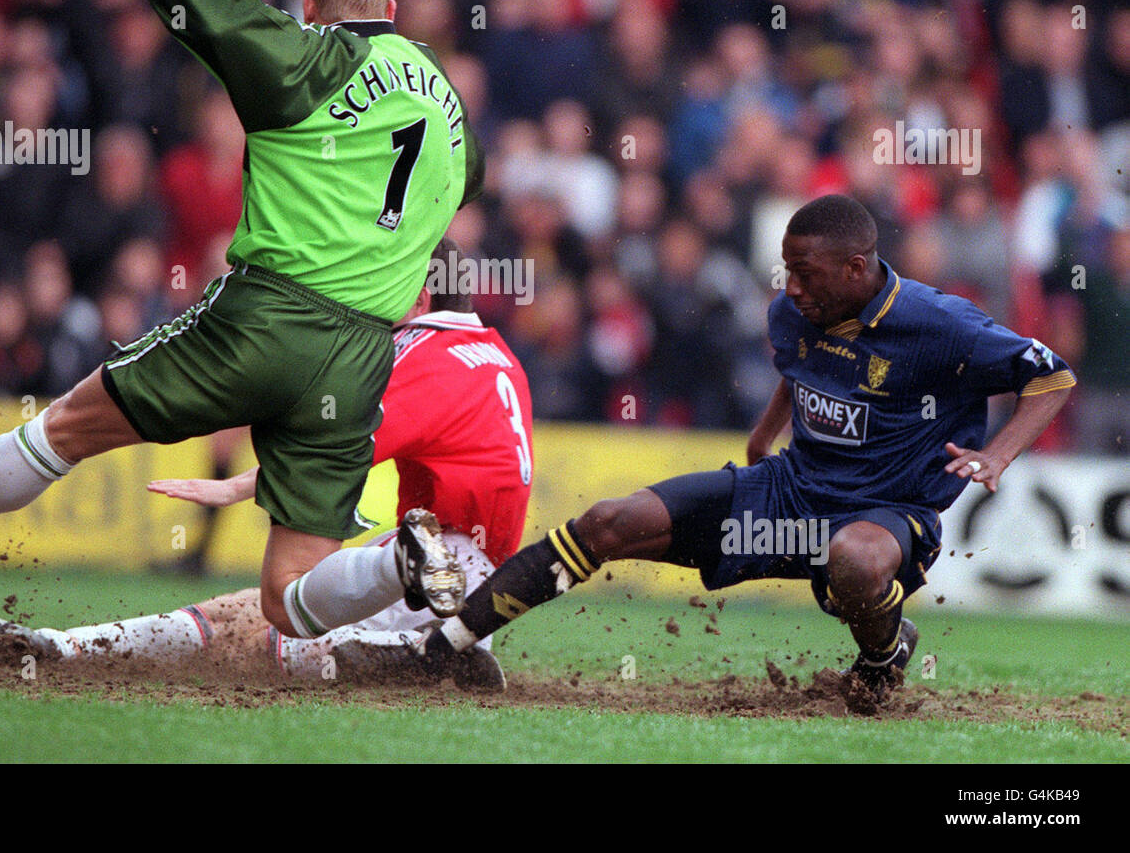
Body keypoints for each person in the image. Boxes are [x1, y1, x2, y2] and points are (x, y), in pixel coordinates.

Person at [0, 0, 485, 650]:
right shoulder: (447, 94)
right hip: (362, 358)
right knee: (289, 600)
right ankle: (401, 563)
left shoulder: (300, 56)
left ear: (310, 4)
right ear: (392, 7)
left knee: (68, 427)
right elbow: (462, 185)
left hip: (267, 319)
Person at [402, 195, 1077, 698]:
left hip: (884, 512)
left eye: (806, 274)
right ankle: (445, 647)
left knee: (852, 560)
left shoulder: (940, 324)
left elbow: (1050, 374)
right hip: (787, 493)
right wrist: (764, 432)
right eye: (786, 271)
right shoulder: (796, 309)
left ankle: (882, 655)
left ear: (855, 266)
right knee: (611, 521)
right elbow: (800, 364)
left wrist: (999, 454)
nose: (791, 288)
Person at [0, 239, 532, 690]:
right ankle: (54, 648)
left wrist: (237, 486)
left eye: (381, 277)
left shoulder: (420, 354)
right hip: (462, 570)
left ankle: (427, 658)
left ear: (418, 297)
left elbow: (330, 457)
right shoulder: (499, 357)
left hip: (432, 573)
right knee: (246, 610)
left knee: (261, 640)